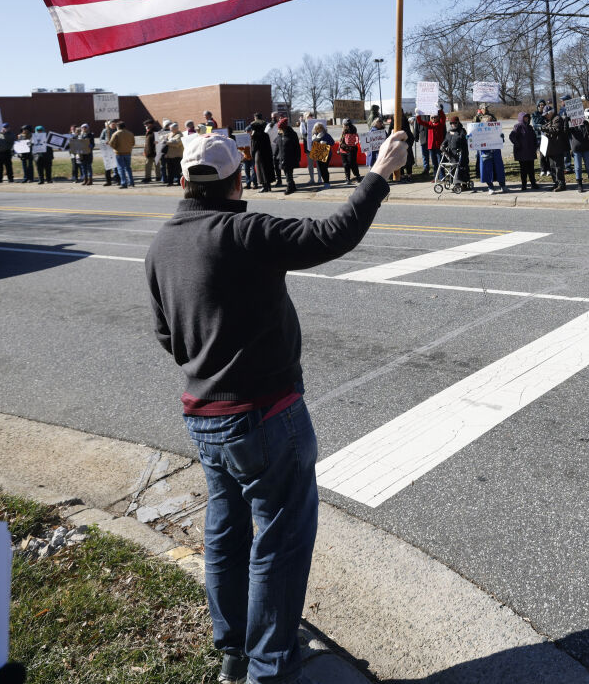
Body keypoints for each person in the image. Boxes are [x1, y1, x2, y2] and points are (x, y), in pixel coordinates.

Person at [146, 126, 409, 684]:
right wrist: (380, 173)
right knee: (279, 541)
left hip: (203, 415)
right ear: (238, 178)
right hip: (265, 414)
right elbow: (332, 235)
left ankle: (234, 652)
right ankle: (272, 666)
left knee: (225, 530)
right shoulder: (243, 231)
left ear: (183, 180)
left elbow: (168, 337)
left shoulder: (162, 243)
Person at [510, 112, 540, 191]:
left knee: (531, 169)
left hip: (530, 152)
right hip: (522, 152)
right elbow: (512, 136)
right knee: (523, 170)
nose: (526, 119)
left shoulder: (530, 127)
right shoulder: (518, 126)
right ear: (521, 118)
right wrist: (517, 144)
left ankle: (533, 183)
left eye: (527, 117)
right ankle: (524, 185)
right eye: (524, 117)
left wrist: (536, 144)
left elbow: (534, 137)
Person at [477, 113, 507, 193]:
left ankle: (502, 185)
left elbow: (501, 141)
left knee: (499, 169)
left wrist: (501, 138)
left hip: (495, 152)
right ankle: (490, 187)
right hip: (485, 153)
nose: (490, 124)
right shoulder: (479, 131)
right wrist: (471, 138)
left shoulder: (496, 130)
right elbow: (475, 142)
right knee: (486, 170)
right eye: (488, 122)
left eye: (491, 122)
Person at [444, 114, 471, 191]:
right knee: (453, 169)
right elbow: (445, 141)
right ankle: (456, 184)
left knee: (462, 169)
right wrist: (443, 146)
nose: (453, 125)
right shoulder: (449, 132)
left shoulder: (462, 131)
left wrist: (455, 134)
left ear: (458, 123)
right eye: (452, 123)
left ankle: (464, 184)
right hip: (452, 155)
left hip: (462, 154)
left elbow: (462, 138)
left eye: (455, 123)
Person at [544, 113, 571, 191]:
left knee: (558, 167)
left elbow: (556, 129)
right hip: (551, 147)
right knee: (552, 167)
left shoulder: (557, 118)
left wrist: (544, 128)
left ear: (550, 112)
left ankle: (561, 184)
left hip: (558, 147)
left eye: (546, 114)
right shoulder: (550, 120)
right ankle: (556, 183)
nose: (545, 116)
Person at [249, 114, 274, 193]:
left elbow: (253, 148)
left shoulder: (255, 136)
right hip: (267, 154)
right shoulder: (265, 135)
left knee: (261, 171)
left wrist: (252, 155)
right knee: (267, 169)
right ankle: (269, 186)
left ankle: (264, 186)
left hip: (259, 155)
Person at [569, 115, 589, 192]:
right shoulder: (572, 124)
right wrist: (567, 122)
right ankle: (579, 185)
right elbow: (566, 131)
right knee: (578, 167)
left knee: (588, 166)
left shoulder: (585, 122)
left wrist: (585, 124)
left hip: (586, 148)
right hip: (576, 149)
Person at [109, 120, 136, 189]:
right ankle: (131, 182)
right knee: (128, 168)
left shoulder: (116, 134)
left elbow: (111, 144)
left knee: (121, 168)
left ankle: (124, 183)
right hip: (128, 152)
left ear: (117, 127)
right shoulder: (130, 133)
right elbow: (133, 143)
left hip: (119, 153)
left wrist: (115, 147)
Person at [276, 117, 300, 194]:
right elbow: (278, 146)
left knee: (288, 173)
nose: (279, 129)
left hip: (290, 157)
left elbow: (297, 147)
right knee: (288, 173)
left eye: (280, 128)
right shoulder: (280, 135)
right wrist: (276, 155)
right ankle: (293, 186)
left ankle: (290, 187)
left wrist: (298, 157)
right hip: (282, 157)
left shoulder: (292, 134)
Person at [309, 123, 334, 188]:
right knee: (321, 169)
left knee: (324, 168)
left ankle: (327, 183)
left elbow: (332, 142)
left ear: (323, 128)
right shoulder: (314, 136)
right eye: (317, 128)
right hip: (318, 153)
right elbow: (312, 144)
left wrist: (326, 143)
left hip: (326, 153)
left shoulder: (326, 135)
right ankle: (325, 183)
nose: (319, 129)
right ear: (315, 129)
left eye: (320, 128)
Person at [143, 120, 160, 185]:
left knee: (156, 165)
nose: (145, 126)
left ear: (151, 124)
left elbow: (157, 141)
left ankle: (157, 177)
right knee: (148, 165)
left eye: (146, 124)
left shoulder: (155, 131)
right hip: (148, 151)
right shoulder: (148, 131)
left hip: (154, 151)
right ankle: (148, 177)